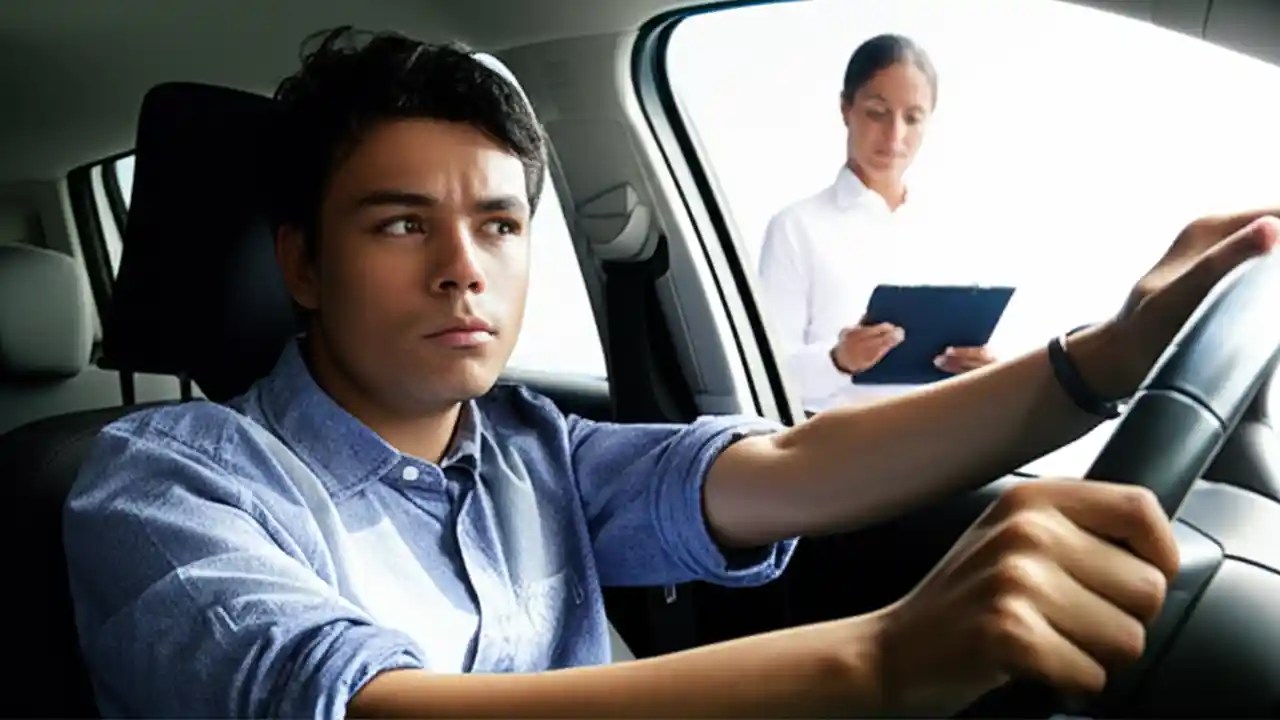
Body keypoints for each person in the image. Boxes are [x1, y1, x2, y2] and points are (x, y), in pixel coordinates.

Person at [62, 27, 1278, 719]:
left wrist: (1099, 359)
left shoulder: (532, 449)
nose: (461, 270)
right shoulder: (161, 485)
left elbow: (795, 466)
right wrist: (885, 659)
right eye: (396, 225)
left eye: (496, 225)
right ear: (304, 266)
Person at [758, 34, 998, 414]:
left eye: (913, 118)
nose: (895, 136)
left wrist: (982, 372)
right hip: (838, 450)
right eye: (877, 112)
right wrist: (839, 360)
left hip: (943, 441)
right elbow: (765, 377)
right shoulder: (796, 227)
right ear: (845, 109)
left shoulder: (950, 231)